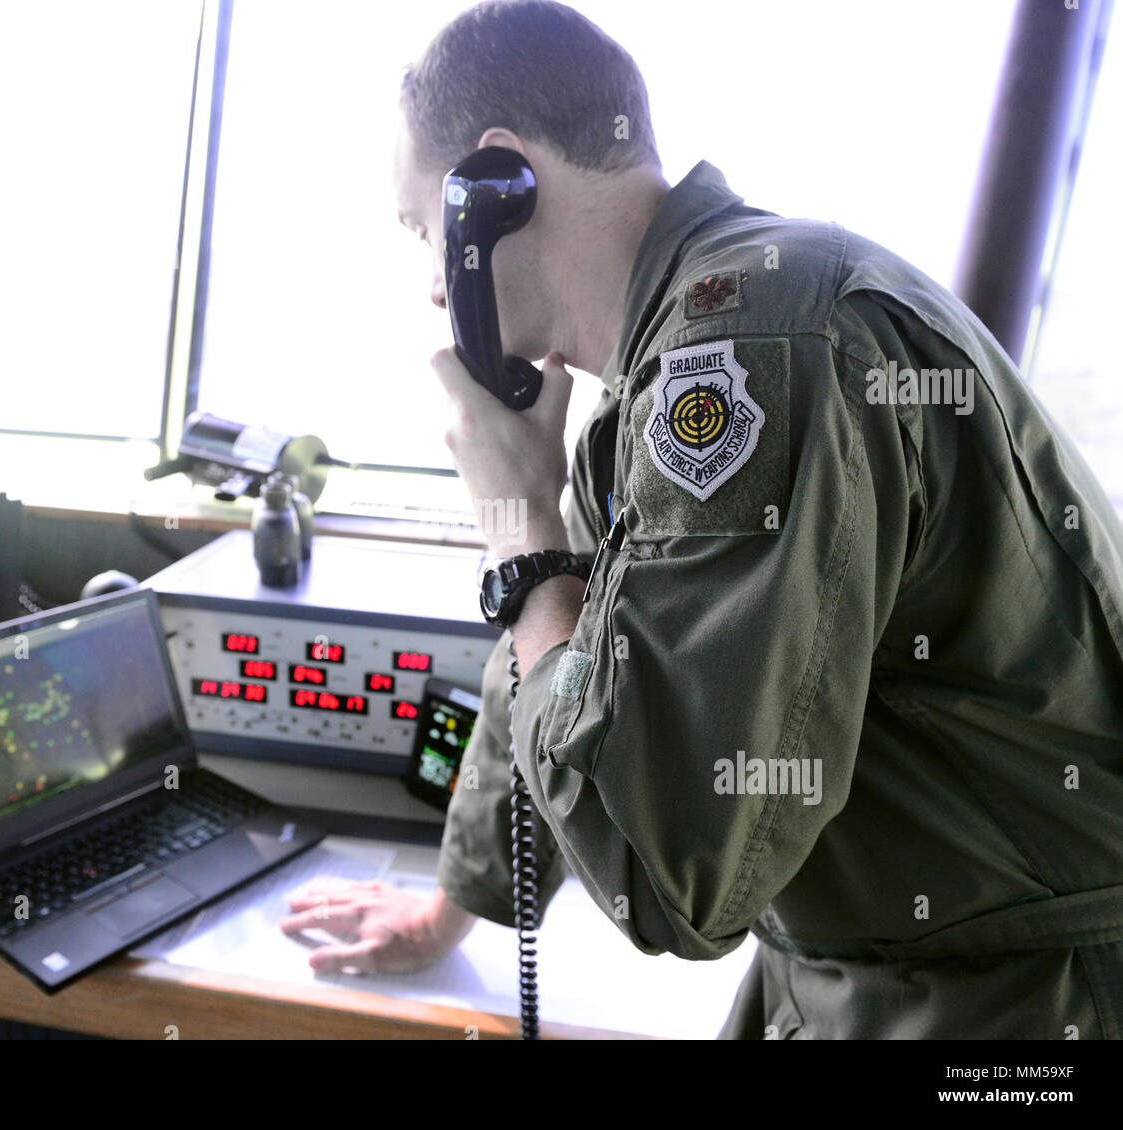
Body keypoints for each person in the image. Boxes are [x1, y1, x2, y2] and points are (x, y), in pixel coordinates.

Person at [280, 0, 1123, 1038]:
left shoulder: (748, 352)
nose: (428, 287)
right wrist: (456, 905)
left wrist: (521, 537)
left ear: (490, 193)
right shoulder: (656, 372)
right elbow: (555, 655)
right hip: (868, 959)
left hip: (1014, 1000)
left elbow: (663, 867)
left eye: (422, 230)